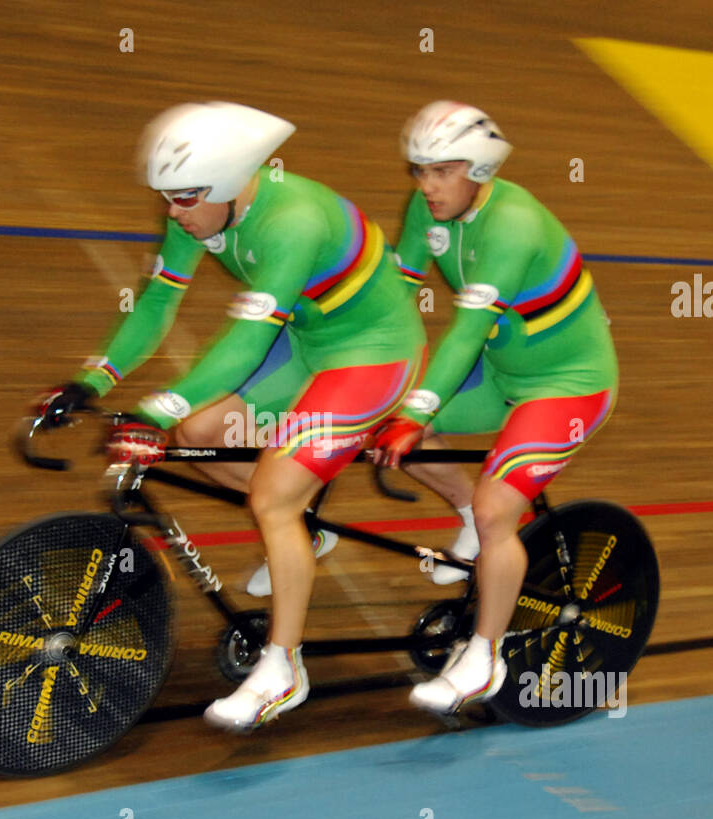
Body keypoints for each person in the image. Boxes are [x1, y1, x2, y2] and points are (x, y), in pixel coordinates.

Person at [34, 102, 426, 731]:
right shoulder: (199, 208)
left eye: (184, 197)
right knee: (201, 433)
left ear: (224, 185)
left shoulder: (290, 222)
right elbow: (159, 302)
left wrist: (154, 408)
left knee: (270, 497)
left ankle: (283, 669)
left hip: (371, 354)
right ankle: (305, 529)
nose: (172, 211)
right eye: (166, 197)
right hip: (307, 341)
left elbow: (243, 346)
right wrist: (91, 379)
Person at [372, 100, 619, 715]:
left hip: (567, 385)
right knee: (376, 415)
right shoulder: (425, 208)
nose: (426, 186)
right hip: (501, 369)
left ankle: (484, 655)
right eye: (419, 171)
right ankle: (465, 518)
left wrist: (420, 408)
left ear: (479, 170)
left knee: (496, 508)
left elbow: (464, 331)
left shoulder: (513, 225)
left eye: (442, 171)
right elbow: (398, 290)